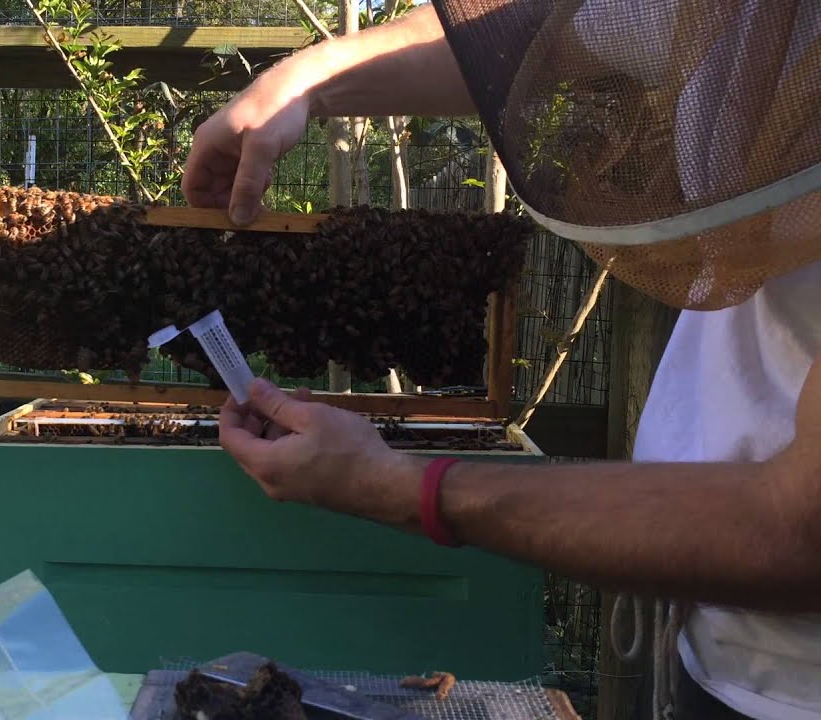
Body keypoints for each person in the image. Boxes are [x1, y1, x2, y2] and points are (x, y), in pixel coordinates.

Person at [181, 4, 821, 720]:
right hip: (715, 648)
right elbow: (530, 32)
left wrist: (399, 486)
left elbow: (798, 531)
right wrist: (306, 79)